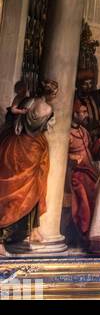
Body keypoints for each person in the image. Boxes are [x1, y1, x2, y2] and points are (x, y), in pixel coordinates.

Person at [0, 78, 57, 253]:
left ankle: (28, 233)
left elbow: (14, 117)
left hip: (15, 145)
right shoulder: (47, 109)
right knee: (20, 192)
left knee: (21, 192)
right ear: (52, 94)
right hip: (29, 148)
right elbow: (41, 127)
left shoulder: (28, 101)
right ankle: (2, 239)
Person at [67, 99, 100, 242]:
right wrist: (71, 156)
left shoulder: (84, 131)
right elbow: (58, 154)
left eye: (86, 112)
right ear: (74, 114)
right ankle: (83, 233)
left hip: (89, 171)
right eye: (83, 112)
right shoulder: (67, 133)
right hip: (77, 173)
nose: (86, 115)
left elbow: (91, 150)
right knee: (84, 201)